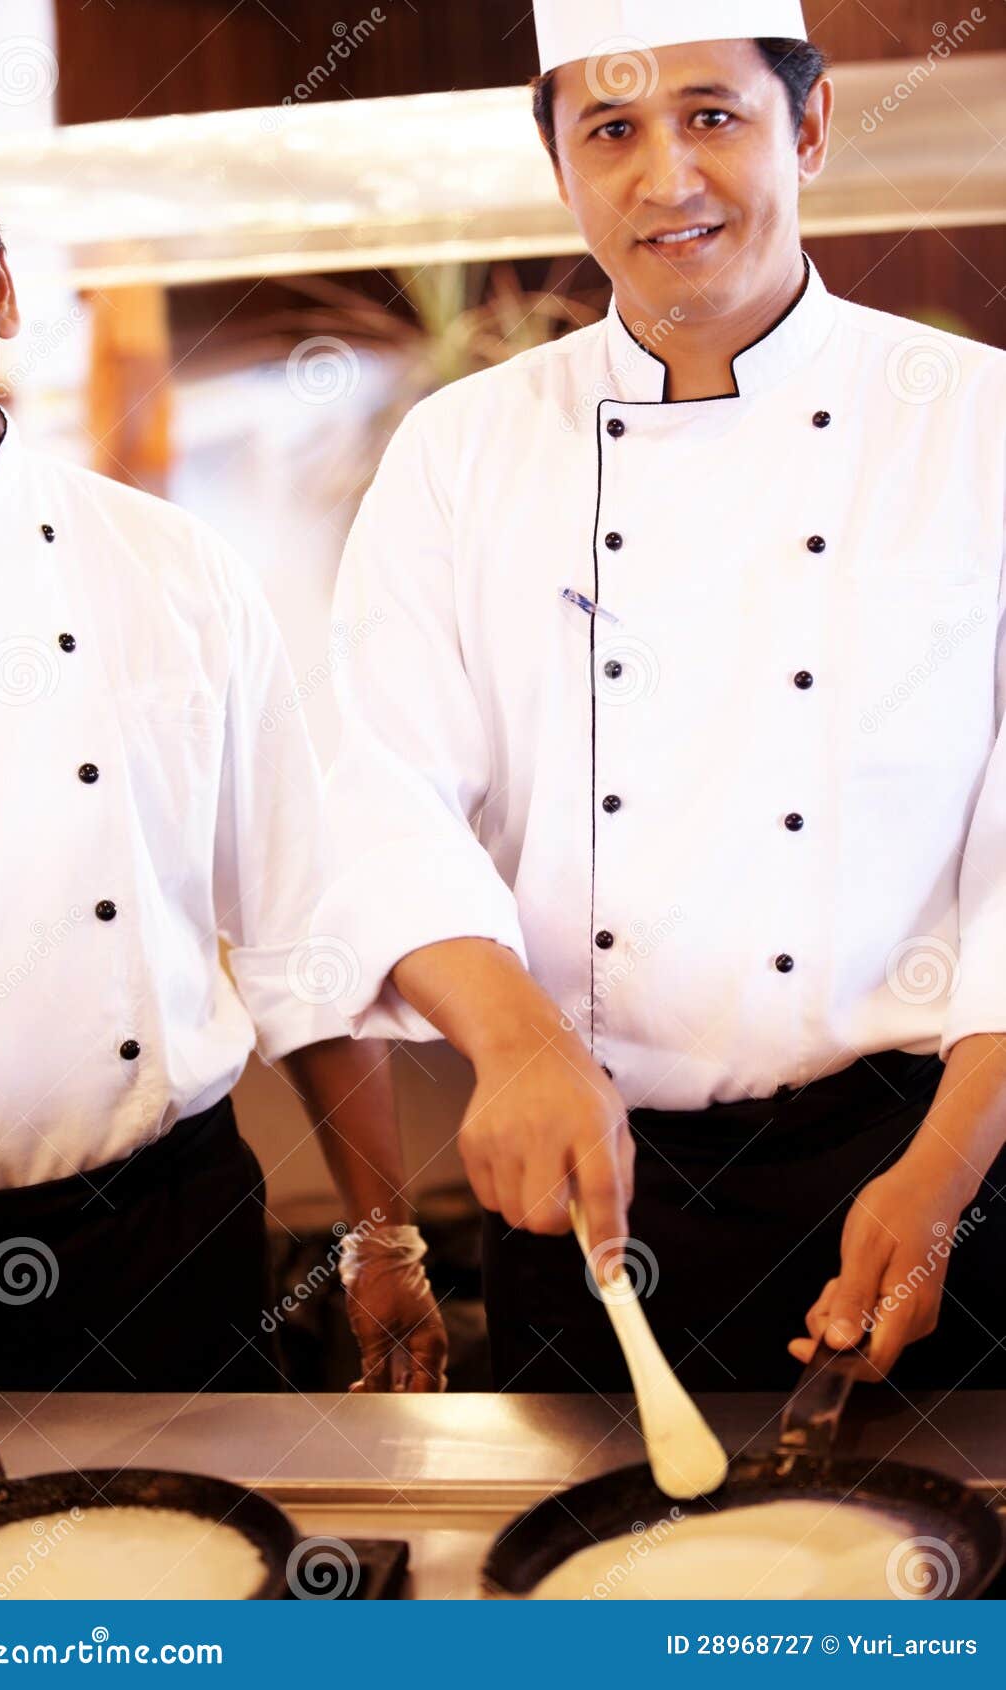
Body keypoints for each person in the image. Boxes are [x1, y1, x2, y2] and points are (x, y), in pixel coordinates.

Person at [311, 0, 1006, 1393]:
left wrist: (941, 1171)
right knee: (583, 1583)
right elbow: (372, 801)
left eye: (710, 116)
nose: (663, 178)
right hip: (582, 1180)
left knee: (930, 1582)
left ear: (804, 126)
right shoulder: (459, 454)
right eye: (609, 130)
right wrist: (512, 1045)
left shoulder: (973, 421)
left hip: (931, 1157)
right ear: (558, 167)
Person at [0, 125, 446, 1400]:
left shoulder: (171, 571)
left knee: (213, 1585)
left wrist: (381, 1232)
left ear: (1, 293)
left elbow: (296, 931)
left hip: (163, 1239)